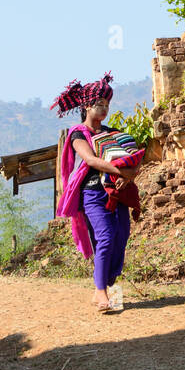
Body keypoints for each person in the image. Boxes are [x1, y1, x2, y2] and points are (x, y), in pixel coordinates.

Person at [50, 71, 139, 313]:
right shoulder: (78, 133)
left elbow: (131, 160)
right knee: (106, 237)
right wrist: (122, 172)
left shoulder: (112, 134)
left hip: (117, 193)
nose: (104, 108)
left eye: (107, 104)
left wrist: (130, 173)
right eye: (100, 104)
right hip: (93, 194)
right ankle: (101, 292)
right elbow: (89, 160)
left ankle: (106, 282)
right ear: (87, 105)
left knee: (121, 236)